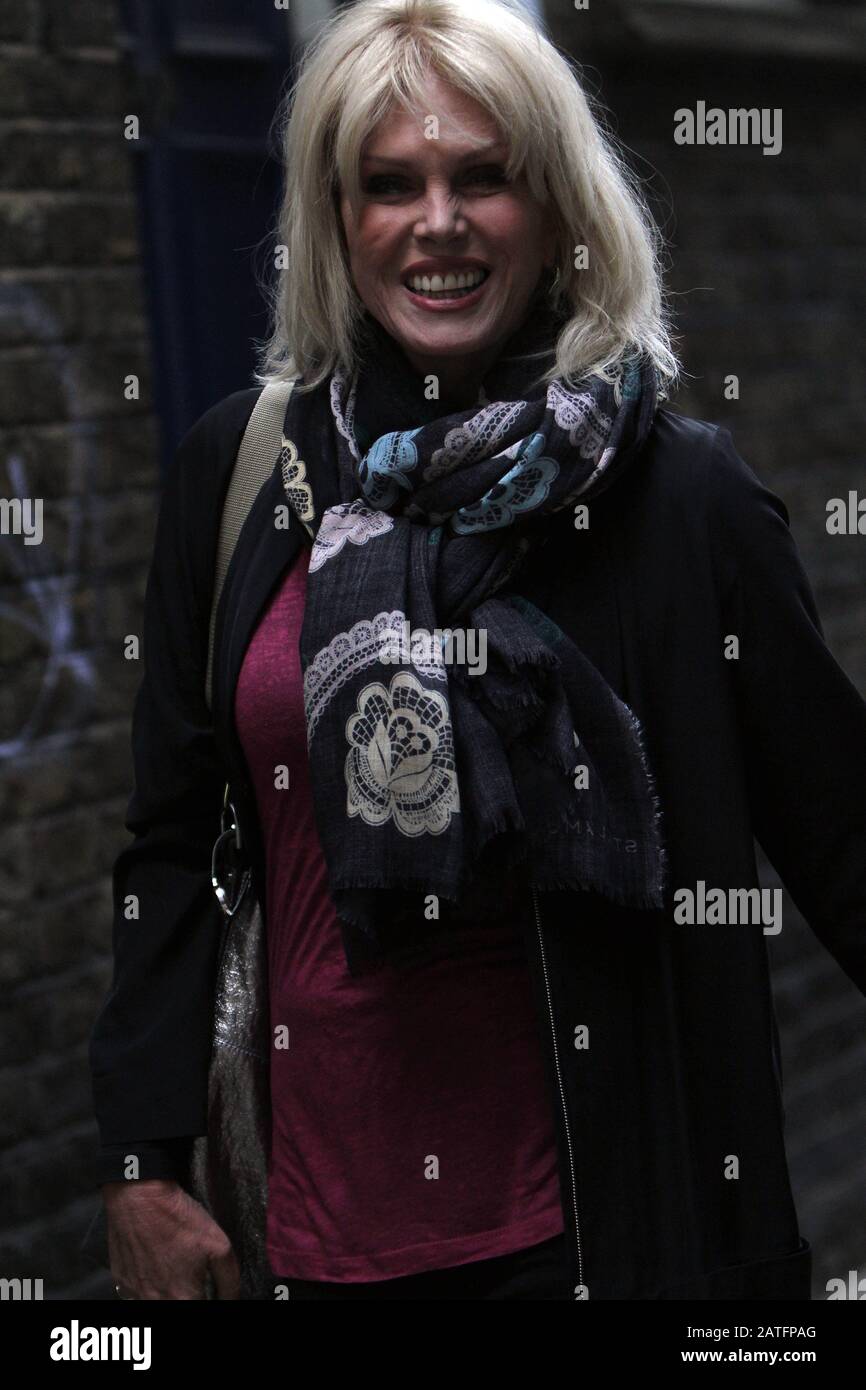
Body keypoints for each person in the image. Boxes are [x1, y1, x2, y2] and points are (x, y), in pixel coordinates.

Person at [87, 0, 866, 1301]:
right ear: (338, 222)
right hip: (313, 1244)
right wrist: (140, 1158)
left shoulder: (679, 503)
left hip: (606, 1246)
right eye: (388, 184)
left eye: (482, 177)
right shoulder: (242, 474)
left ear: (558, 206)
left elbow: (843, 840)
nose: (434, 222)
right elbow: (171, 836)